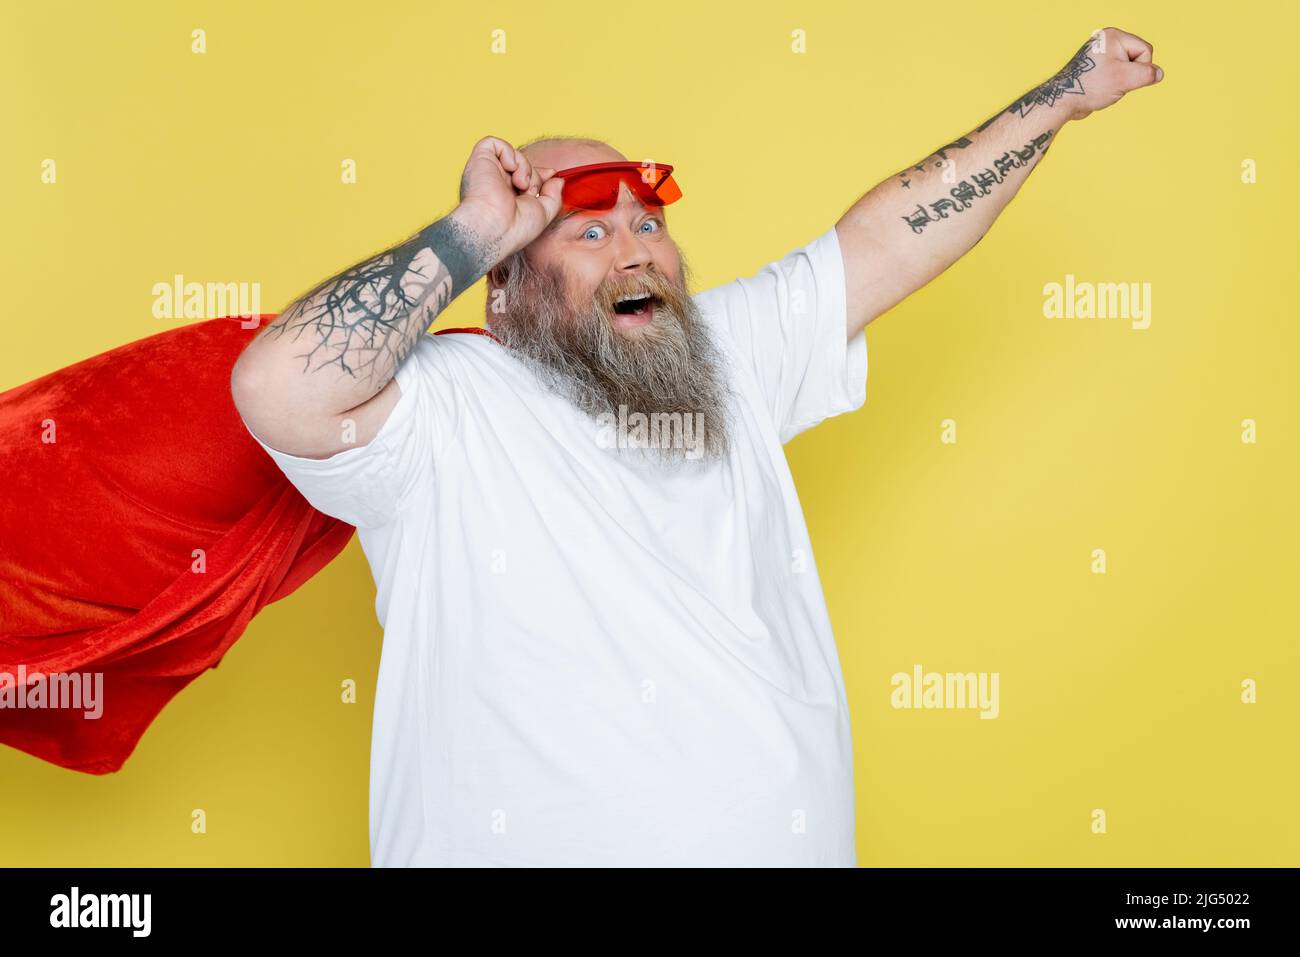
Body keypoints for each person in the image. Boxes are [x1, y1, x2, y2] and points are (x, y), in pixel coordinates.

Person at [230, 28, 1162, 866]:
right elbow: (277, 386)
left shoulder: (725, 358)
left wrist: (1063, 98)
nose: (636, 250)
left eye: (649, 223)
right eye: (588, 231)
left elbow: (888, 239)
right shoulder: (440, 412)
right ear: (502, 288)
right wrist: (478, 228)